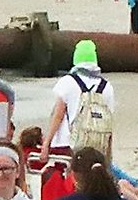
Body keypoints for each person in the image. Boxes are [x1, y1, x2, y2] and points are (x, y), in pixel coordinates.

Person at [43, 41, 115, 177]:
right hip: (96, 147)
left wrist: (47, 143)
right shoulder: (107, 87)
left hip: (67, 143)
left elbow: (58, 115)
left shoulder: (67, 82)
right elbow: (108, 121)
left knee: (66, 181)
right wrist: (108, 154)